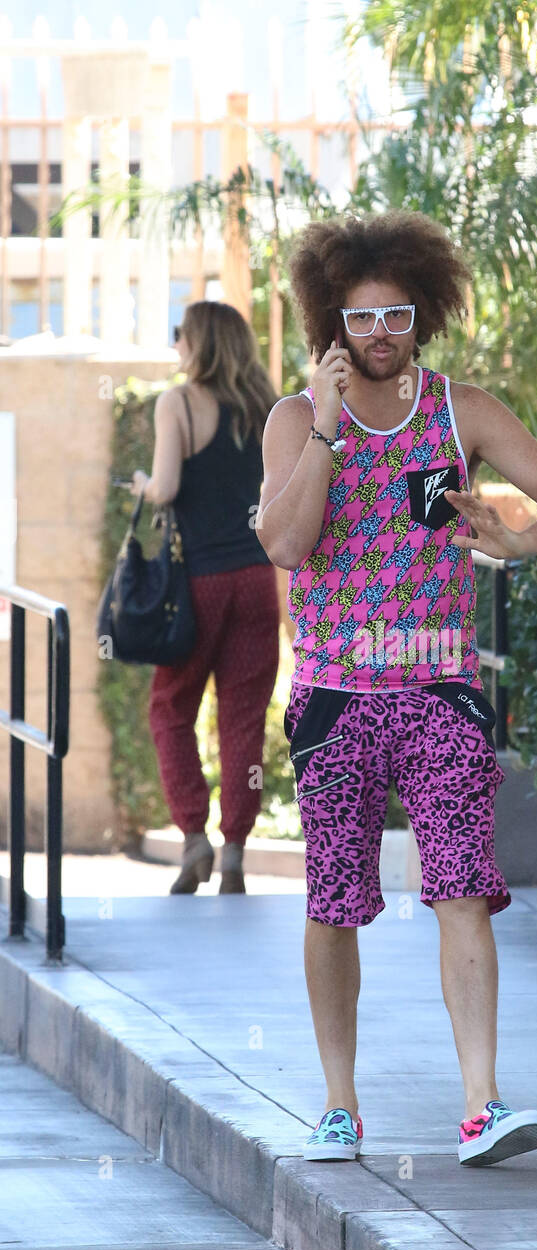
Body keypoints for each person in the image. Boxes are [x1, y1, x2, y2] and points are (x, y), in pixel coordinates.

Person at [255, 211, 537, 1166]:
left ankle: (483, 1105)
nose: (380, 335)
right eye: (361, 320)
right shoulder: (294, 419)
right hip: (333, 695)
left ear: (423, 315)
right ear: (331, 322)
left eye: (397, 316)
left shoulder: (461, 410)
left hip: (440, 685)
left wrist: (519, 540)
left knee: (461, 889)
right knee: (333, 903)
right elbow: (283, 544)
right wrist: (326, 431)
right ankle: (338, 1106)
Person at [130, 300, 279, 895]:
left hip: (197, 586)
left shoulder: (178, 403)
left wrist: (141, 484)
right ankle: (236, 851)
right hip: (256, 580)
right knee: (242, 719)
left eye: (179, 336)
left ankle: (194, 838)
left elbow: (165, 487)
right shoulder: (265, 407)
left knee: (170, 709)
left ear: (199, 343)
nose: (175, 347)